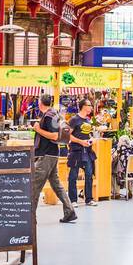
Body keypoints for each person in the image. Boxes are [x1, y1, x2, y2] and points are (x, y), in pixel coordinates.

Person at [30, 94, 76, 223]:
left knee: (34, 185)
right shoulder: (54, 114)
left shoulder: (48, 116)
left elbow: (55, 136)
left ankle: (30, 217)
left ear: (40, 103)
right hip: (53, 153)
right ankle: (70, 211)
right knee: (56, 185)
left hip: (46, 155)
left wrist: (38, 129)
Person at [66, 99, 98, 207]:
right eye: (89, 105)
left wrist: (91, 139)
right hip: (76, 151)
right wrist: (80, 142)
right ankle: (73, 200)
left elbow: (88, 135)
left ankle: (88, 199)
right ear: (83, 106)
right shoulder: (74, 120)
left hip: (87, 152)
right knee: (73, 175)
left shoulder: (88, 120)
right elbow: (67, 135)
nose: (91, 107)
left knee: (89, 174)